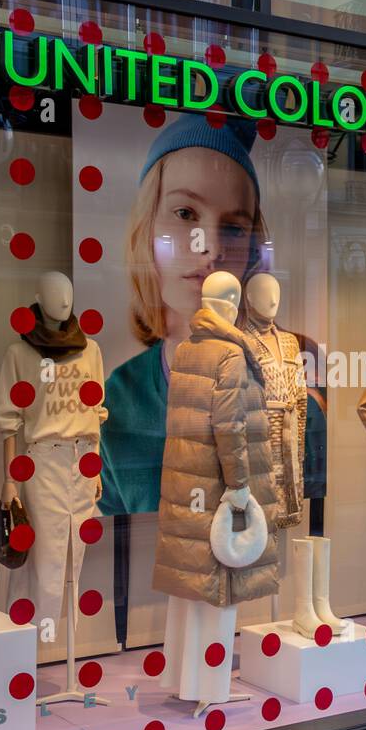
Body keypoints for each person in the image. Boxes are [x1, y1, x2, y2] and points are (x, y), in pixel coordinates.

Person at [98, 114, 271, 517]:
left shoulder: (282, 373)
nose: (209, 248)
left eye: (233, 227)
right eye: (186, 214)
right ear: (147, 227)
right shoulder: (117, 401)